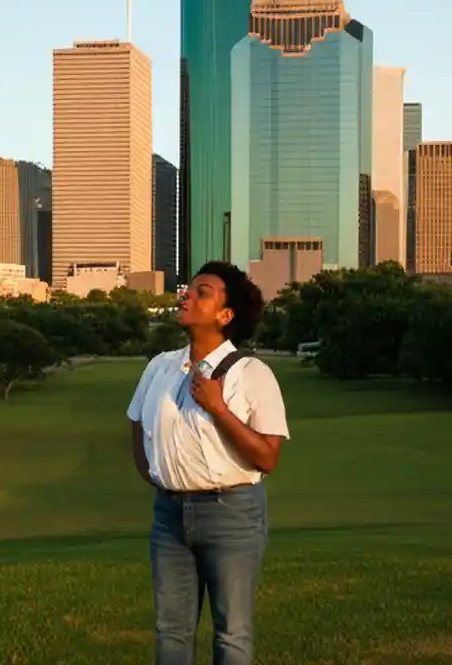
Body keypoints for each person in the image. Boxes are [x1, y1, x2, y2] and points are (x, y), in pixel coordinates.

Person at [126, 261, 290, 665]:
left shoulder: (252, 374)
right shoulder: (160, 366)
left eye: (203, 292)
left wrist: (219, 408)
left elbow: (267, 457)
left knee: (232, 633)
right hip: (169, 515)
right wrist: (160, 476)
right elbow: (136, 425)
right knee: (171, 631)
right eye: (190, 289)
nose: (187, 295)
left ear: (225, 315)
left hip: (230, 514)